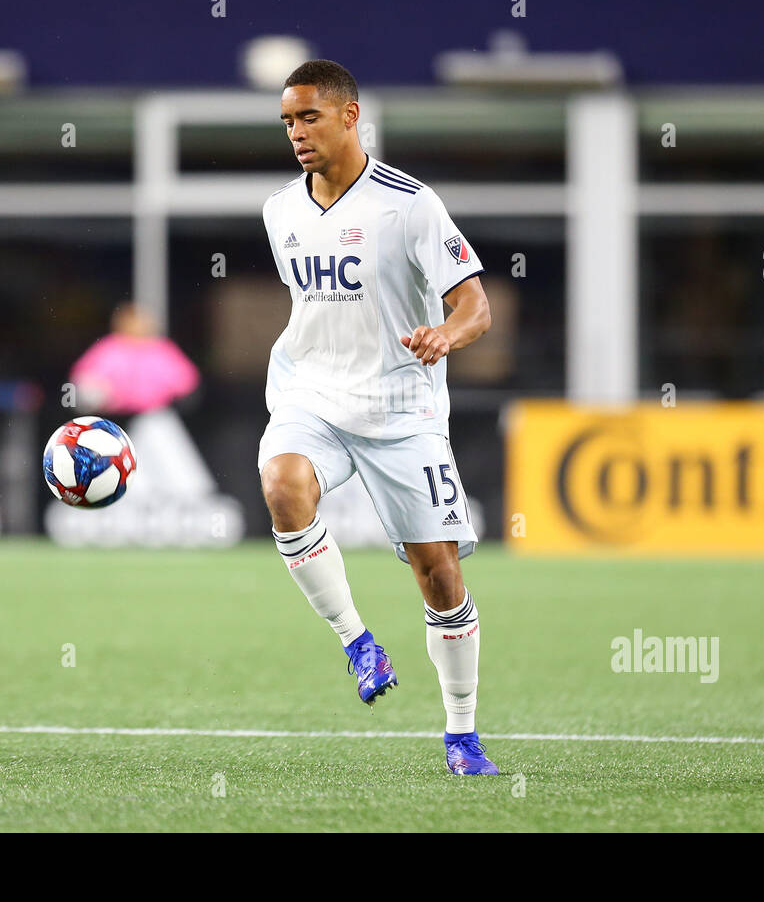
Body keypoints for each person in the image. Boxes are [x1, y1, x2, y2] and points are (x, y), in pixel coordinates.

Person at [257, 60, 498, 775]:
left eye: (310, 118)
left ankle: (461, 733)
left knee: (439, 575)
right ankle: (357, 640)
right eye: (288, 122)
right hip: (312, 397)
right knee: (282, 486)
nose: (297, 134)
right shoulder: (280, 211)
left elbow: (475, 306)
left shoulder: (410, 204)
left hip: (401, 410)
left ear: (351, 115)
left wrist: (444, 336)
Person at [69, 303, 199, 415]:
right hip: (113, 417)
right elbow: (83, 378)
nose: (136, 327)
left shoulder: (160, 349)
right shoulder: (110, 348)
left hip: (154, 416)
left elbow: (186, 382)